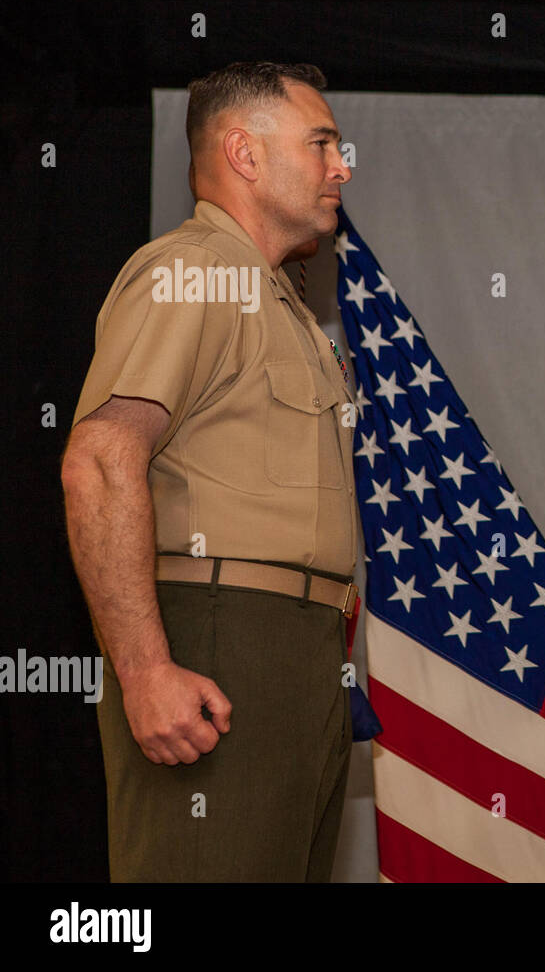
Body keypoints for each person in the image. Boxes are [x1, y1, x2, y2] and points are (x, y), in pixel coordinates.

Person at [61, 61, 358, 882]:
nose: (342, 166)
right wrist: (146, 669)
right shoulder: (192, 272)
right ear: (245, 153)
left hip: (290, 650)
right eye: (323, 144)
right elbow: (98, 458)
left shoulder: (279, 299)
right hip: (220, 641)